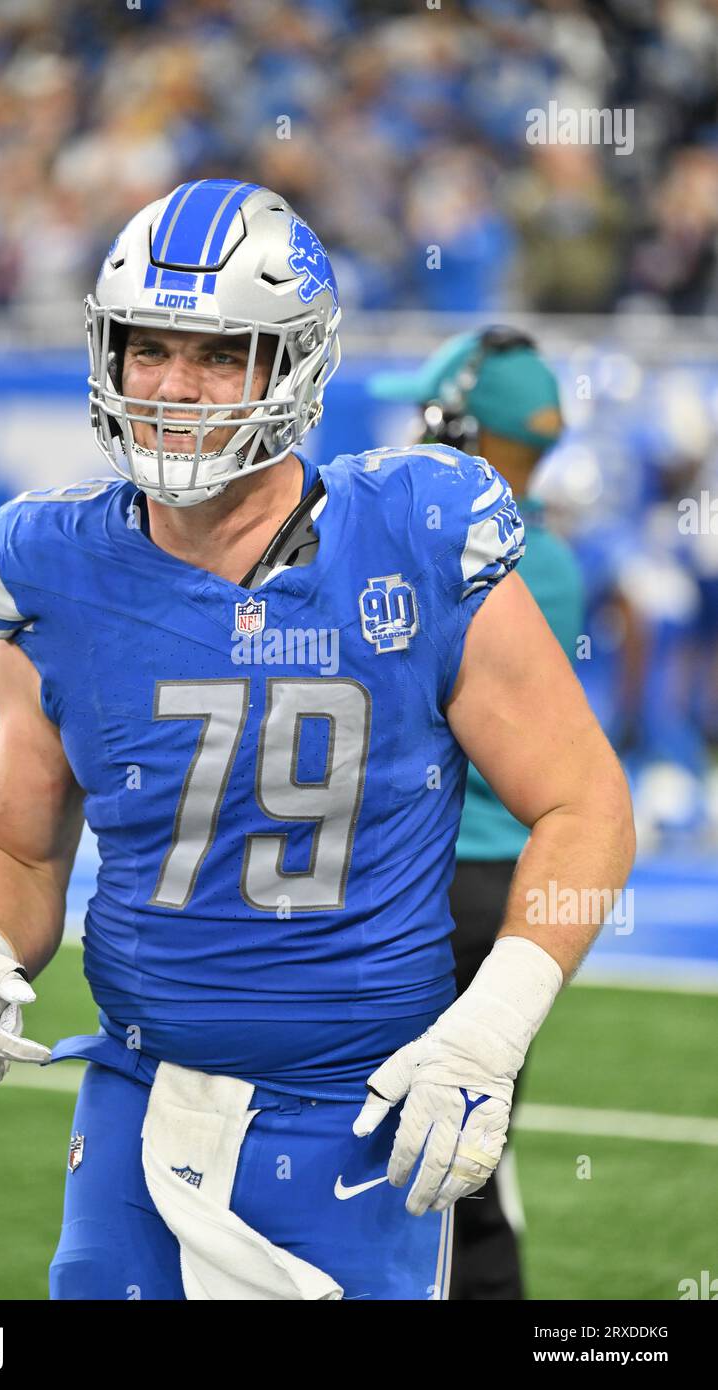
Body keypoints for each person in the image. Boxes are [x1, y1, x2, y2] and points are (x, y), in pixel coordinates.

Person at [0, 181, 633, 1301]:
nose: (172, 387)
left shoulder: (415, 529)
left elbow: (583, 804)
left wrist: (487, 1032)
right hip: (136, 1093)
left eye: (219, 354)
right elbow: (16, 847)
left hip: (362, 1108)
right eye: (146, 348)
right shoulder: (47, 561)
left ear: (292, 365)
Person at [370, 328, 585, 1298]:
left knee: (371, 1162)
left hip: (417, 889)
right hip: (512, 892)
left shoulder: (428, 555)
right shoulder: (559, 564)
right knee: (467, 1160)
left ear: (456, 424)